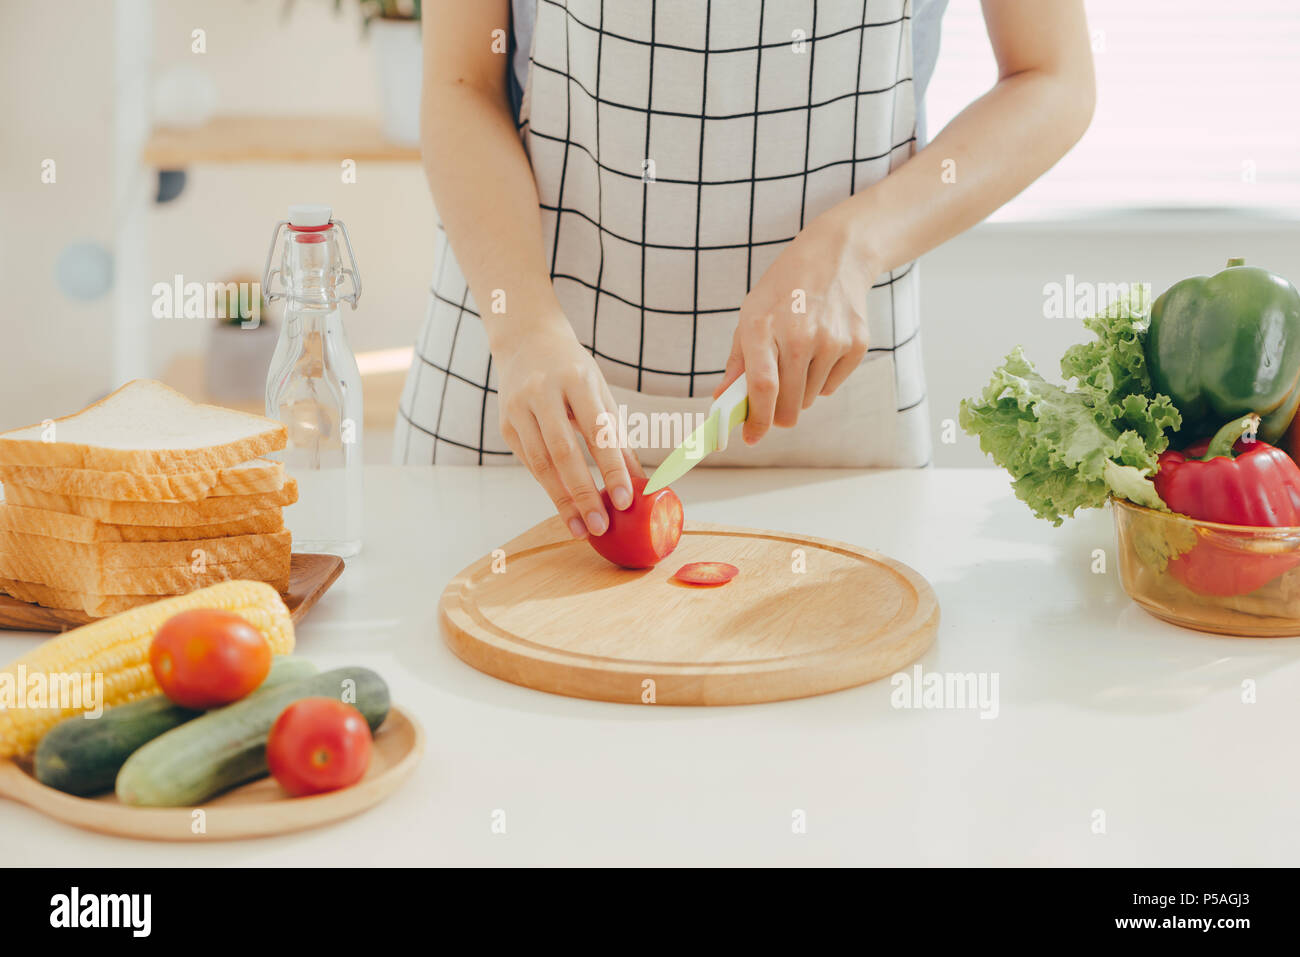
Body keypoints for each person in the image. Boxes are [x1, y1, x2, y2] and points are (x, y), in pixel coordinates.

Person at [394, 0, 1095, 542]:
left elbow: (1053, 78)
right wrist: (523, 331)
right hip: (523, 390)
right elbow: (461, 81)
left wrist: (854, 242)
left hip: (824, 416)